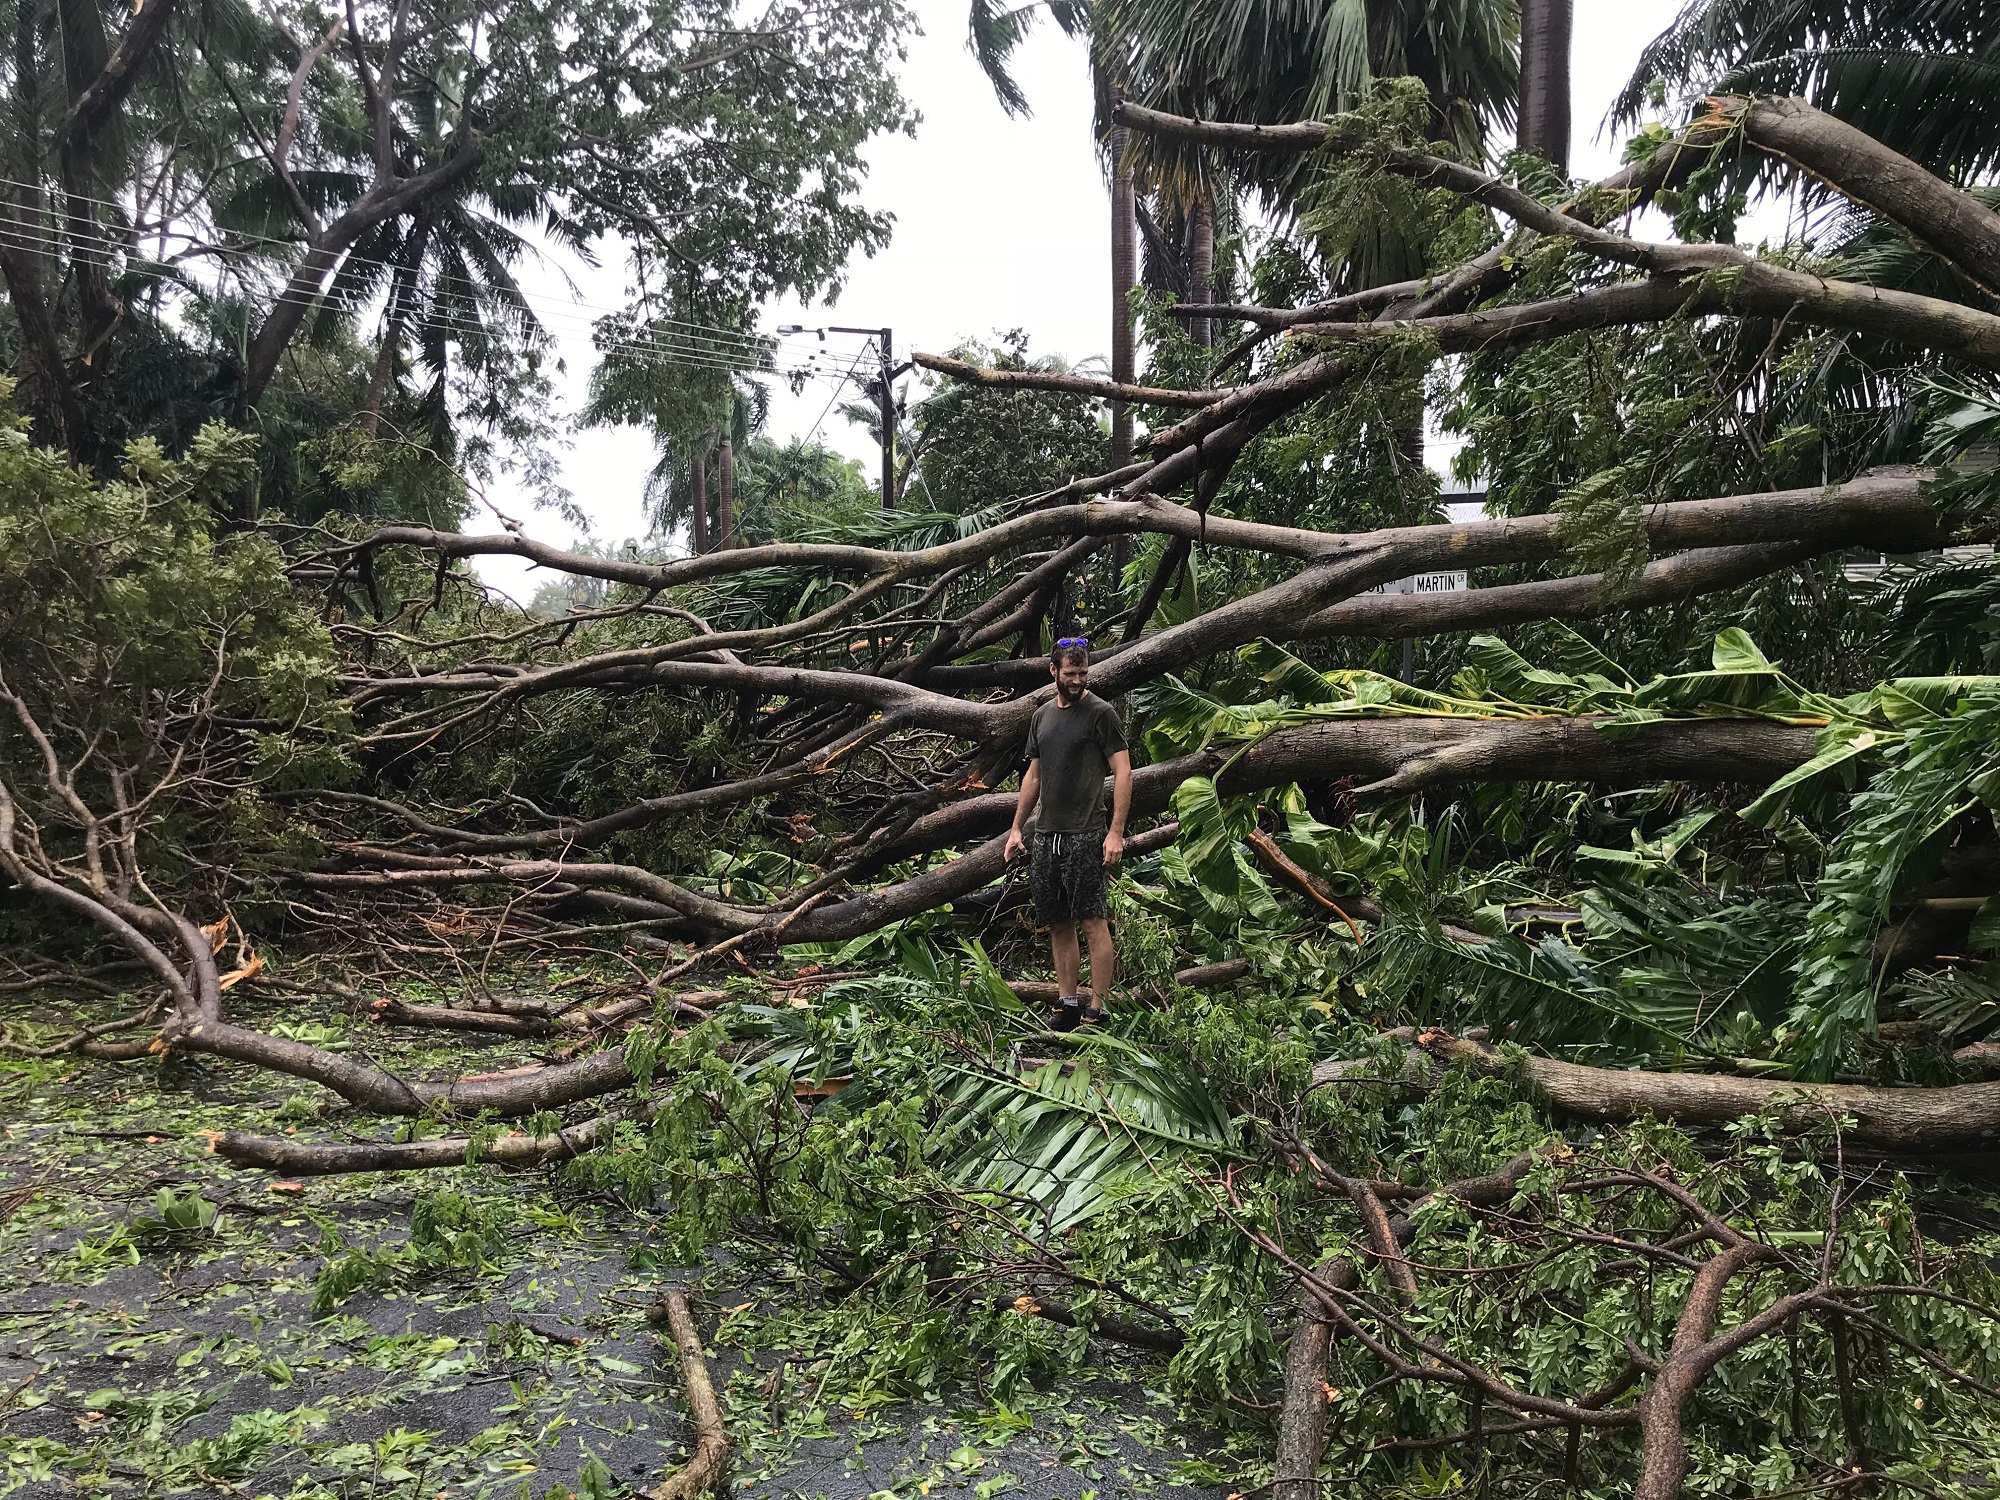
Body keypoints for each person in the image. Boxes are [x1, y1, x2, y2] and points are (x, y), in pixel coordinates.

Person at [1002, 637, 1132, 1032]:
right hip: (1047, 836)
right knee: (1057, 922)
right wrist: (1015, 828)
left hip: (1085, 834)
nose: (1077, 680)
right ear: (1053, 672)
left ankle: (1098, 1008)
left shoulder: (1100, 714)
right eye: (1070, 673)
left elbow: (1123, 771)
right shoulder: (1041, 717)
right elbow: (1034, 776)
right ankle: (1067, 1001)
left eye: (1083, 673)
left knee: (1093, 920)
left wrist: (1115, 833)